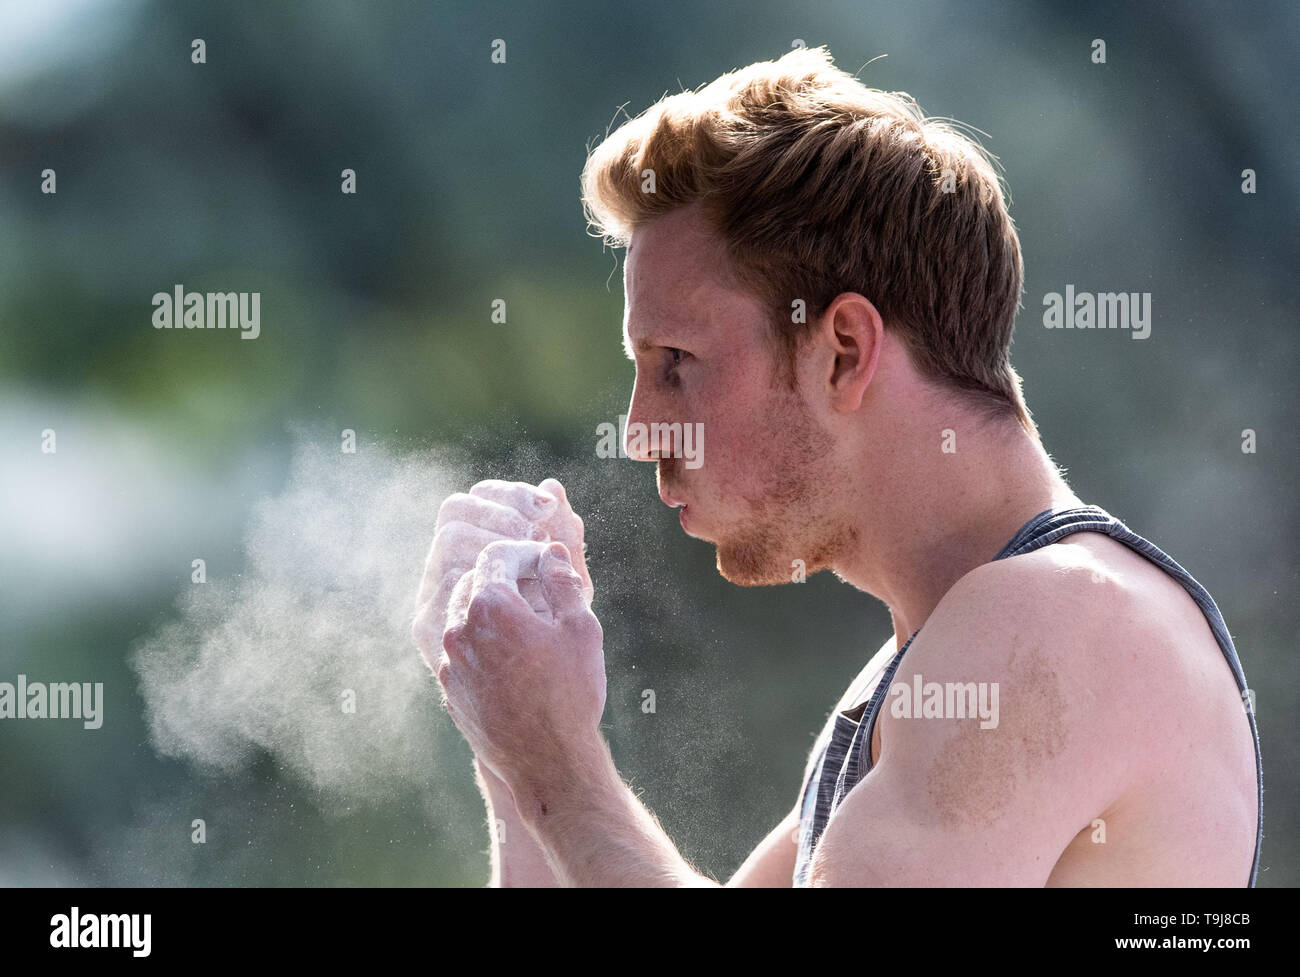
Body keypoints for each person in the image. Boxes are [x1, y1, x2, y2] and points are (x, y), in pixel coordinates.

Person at [411, 46, 1262, 887]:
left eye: (676, 359)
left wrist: (557, 764)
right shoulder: (925, 674)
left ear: (844, 352)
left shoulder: (1058, 622)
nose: (639, 431)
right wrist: (510, 741)